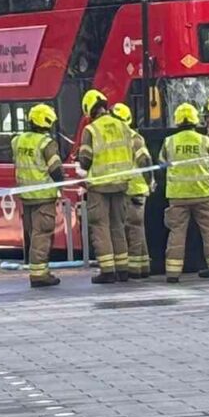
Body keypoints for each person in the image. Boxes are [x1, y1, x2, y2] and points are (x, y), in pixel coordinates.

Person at [76, 90, 147, 284]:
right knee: (118, 226)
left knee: (100, 227)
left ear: (89, 109)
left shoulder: (91, 130)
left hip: (99, 187)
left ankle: (108, 270)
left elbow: (86, 160)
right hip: (121, 185)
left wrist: (79, 166)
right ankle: (122, 269)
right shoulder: (123, 127)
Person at [160, 104, 209, 283]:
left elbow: (162, 163)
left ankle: (173, 273)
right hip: (202, 193)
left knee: (177, 234)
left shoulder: (169, 142)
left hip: (177, 195)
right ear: (196, 120)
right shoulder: (205, 141)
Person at [13, 103, 65, 288]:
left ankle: (39, 271)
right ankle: (39, 275)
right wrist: (63, 186)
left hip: (25, 196)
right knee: (42, 235)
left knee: (32, 233)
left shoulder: (17, 140)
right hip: (44, 196)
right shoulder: (47, 143)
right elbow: (56, 169)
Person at [112, 102, 152, 279]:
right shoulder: (135, 138)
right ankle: (143, 266)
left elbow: (145, 162)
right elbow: (146, 162)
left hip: (131, 190)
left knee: (132, 229)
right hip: (137, 188)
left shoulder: (125, 139)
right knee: (138, 228)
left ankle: (134, 268)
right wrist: (150, 183)